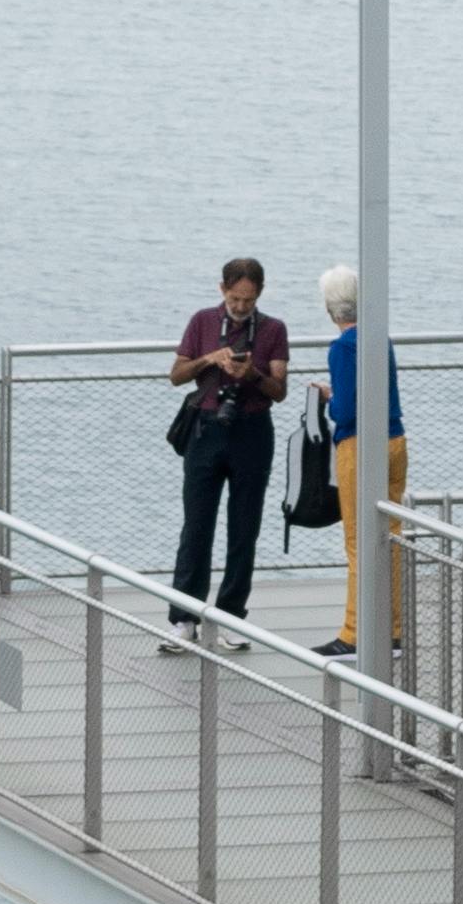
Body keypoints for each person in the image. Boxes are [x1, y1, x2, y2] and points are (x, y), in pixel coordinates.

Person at [166, 255, 288, 623]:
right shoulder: (202, 321)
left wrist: (250, 373)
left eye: (248, 301)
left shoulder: (273, 329)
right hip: (205, 429)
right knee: (196, 527)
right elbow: (176, 375)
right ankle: (184, 618)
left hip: (252, 431)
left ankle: (232, 615)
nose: (240, 307)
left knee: (244, 529)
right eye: (235, 298)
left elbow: (279, 390)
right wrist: (209, 360)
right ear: (222, 290)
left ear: (260, 295)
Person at [316, 259, 407, 657]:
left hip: (359, 446)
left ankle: (355, 631)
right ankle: (395, 626)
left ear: (330, 309)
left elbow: (347, 411)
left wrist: (328, 399)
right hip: (394, 439)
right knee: (392, 535)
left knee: (358, 539)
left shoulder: (342, 348)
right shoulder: (379, 337)